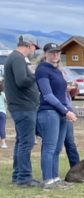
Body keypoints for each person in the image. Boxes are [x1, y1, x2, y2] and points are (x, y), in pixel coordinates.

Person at [35, 42, 78, 189]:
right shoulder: (42, 70)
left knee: (58, 148)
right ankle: (48, 180)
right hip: (48, 112)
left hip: (60, 112)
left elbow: (61, 94)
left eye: (58, 52)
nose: (55, 55)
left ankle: (55, 179)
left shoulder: (57, 71)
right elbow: (47, 95)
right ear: (45, 54)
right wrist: (66, 111)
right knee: (49, 147)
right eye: (52, 52)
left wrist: (66, 110)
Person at [4, 34, 42, 187]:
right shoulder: (18, 59)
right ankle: (24, 178)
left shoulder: (13, 58)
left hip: (20, 107)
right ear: (29, 45)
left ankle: (18, 175)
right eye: (34, 48)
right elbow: (21, 81)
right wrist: (35, 75)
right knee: (26, 142)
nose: (34, 51)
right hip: (23, 107)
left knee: (21, 142)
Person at [0, 79, 8, 149]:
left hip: (2, 112)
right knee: (2, 127)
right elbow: (7, 101)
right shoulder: (2, 94)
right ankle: (3, 143)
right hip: (2, 112)